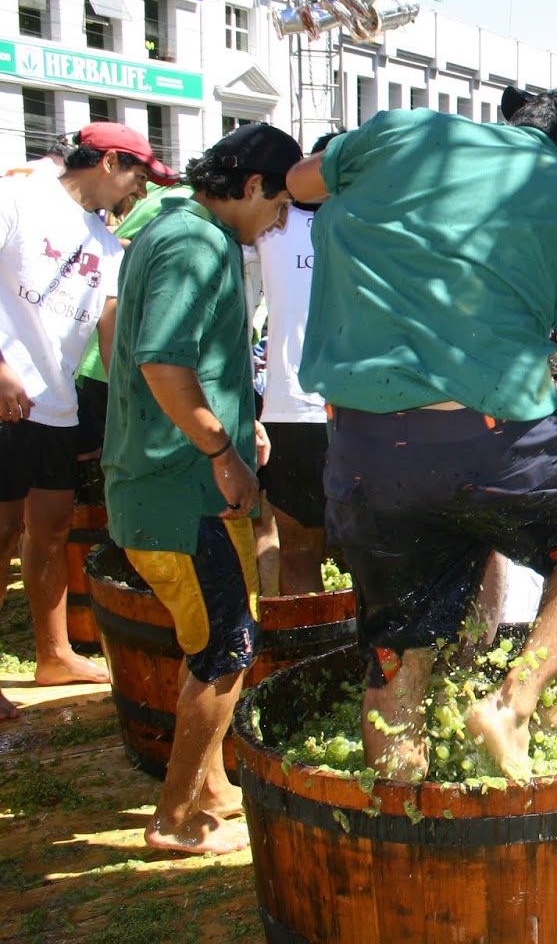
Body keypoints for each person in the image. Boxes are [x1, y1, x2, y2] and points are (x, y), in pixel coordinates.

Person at [286, 88, 557, 782]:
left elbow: (299, 182)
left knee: (397, 661)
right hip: (490, 441)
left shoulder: (401, 133)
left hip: (363, 450)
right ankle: (517, 704)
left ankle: (400, 841)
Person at [103, 124, 301, 852]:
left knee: (219, 637)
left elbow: (130, 334)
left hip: (174, 478)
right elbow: (161, 362)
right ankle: (177, 817)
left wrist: (235, 420)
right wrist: (219, 447)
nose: (280, 221)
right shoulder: (195, 241)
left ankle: (213, 787)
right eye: (279, 205)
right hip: (179, 491)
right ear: (250, 187)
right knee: (226, 648)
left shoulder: (179, 227)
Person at [1, 123, 177, 721]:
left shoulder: (103, 242)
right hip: (7, 392)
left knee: (49, 528)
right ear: (107, 162)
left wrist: (142, 401)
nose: (135, 193)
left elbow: (110, 329)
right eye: (135, 176)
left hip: (56, 399)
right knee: (0, 534)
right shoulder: (21, 194)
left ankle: (52, 652)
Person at [252, 129, 341, 597]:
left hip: (361, 409)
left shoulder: (377, 219)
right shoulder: (272, 220)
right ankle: (306, 656)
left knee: (370, 551)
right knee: (300, 550)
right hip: (295, 409)